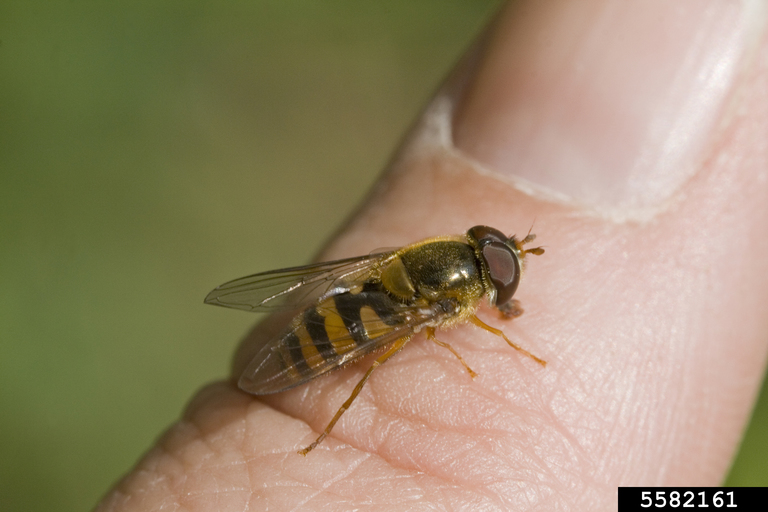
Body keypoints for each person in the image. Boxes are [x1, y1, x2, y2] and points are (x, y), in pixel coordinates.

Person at [96, 1, 768, 509]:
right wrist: (511, 346)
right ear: (480, 268)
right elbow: (445, 324)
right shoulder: (456, 299)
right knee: (367, 359)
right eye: (499, 259)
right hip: (353, 321)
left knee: (367, 314)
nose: (503, 254)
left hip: (348, 295)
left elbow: (373, 282)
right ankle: (329, 422)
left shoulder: (440, 261)